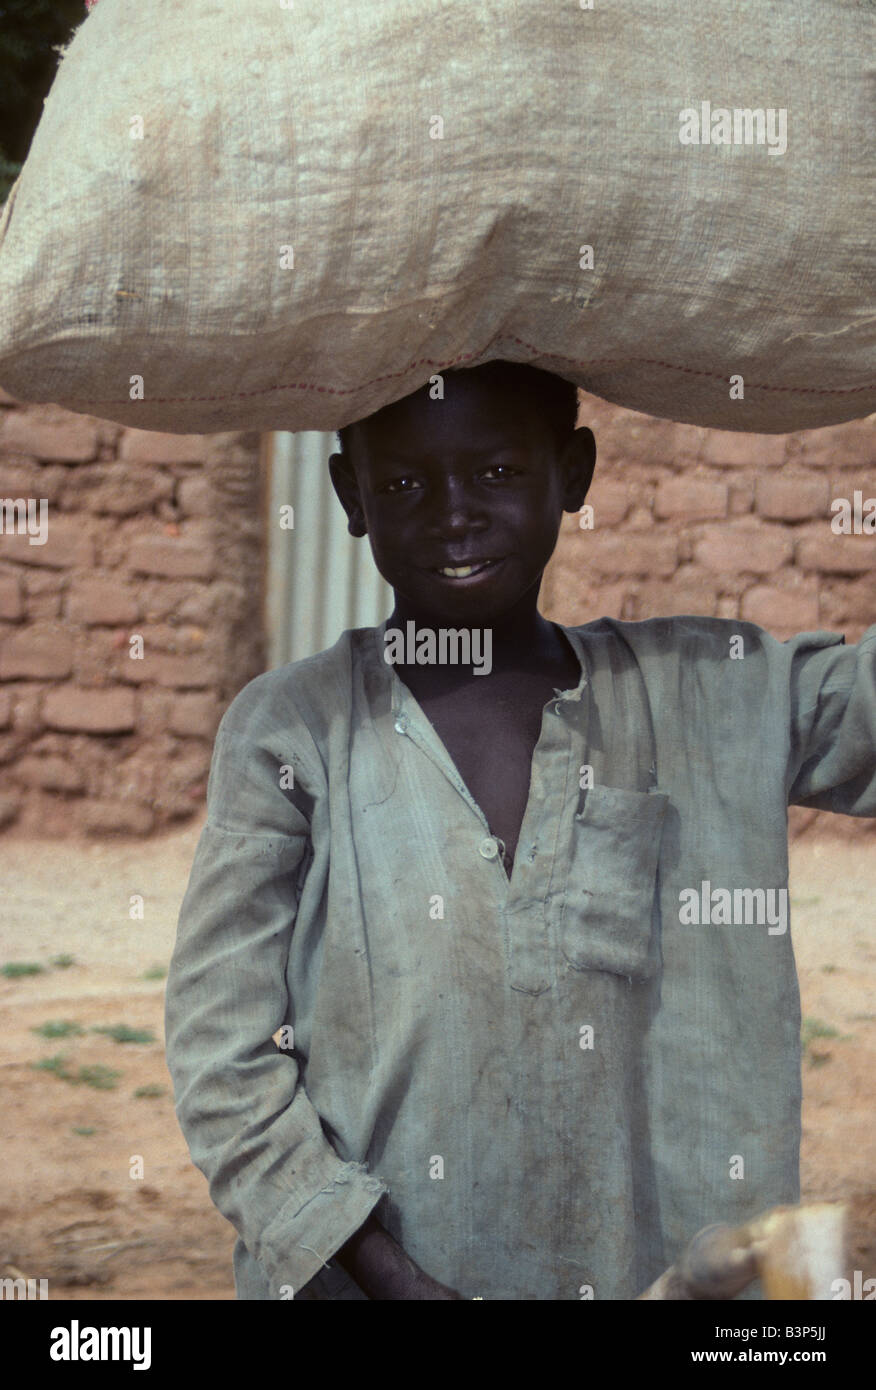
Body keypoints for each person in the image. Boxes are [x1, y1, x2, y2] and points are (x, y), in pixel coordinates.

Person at [164, 361, 876, 1300]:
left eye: (497, 473)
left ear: (572, 472)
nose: (454, 513)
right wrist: (384, 1274)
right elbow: (223, 1055)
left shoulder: (715, 691)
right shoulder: (294, 731)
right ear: (351, 496)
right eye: (407, 484)